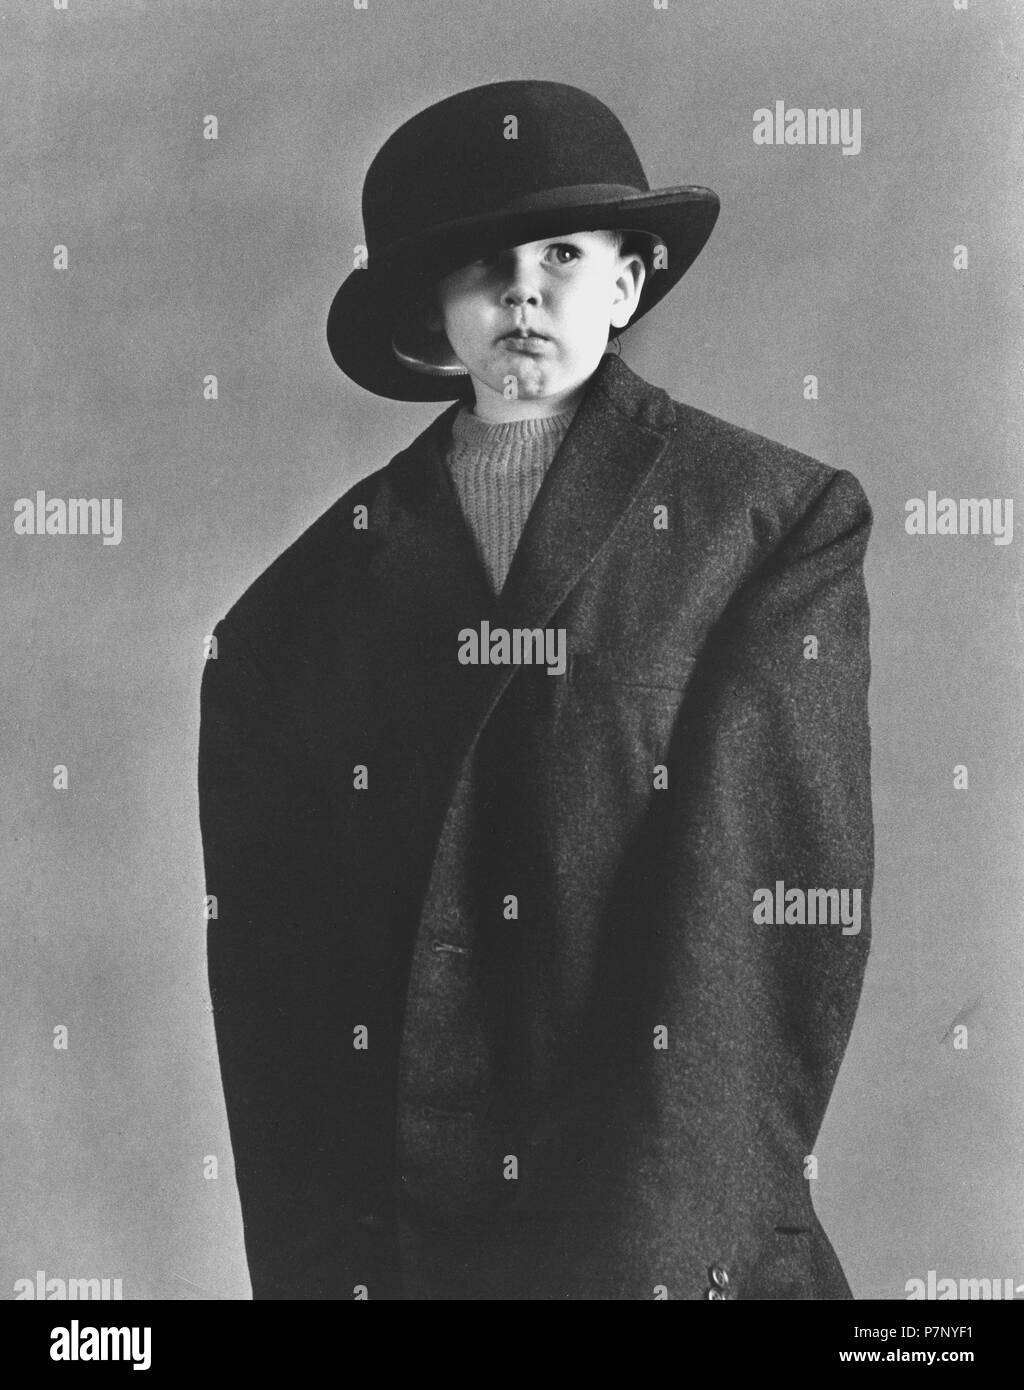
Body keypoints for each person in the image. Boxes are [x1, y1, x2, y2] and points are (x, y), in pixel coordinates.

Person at [198, 80, 874, 1300]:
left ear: (627, 285)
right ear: (428, 316)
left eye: (565, 253)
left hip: (669, 1216)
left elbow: (764, 921)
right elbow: (278, 995)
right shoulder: (294, 615)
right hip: (411, 1242)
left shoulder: (764, 525)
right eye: (481, 265)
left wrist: (670, 1253)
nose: (524, 291)